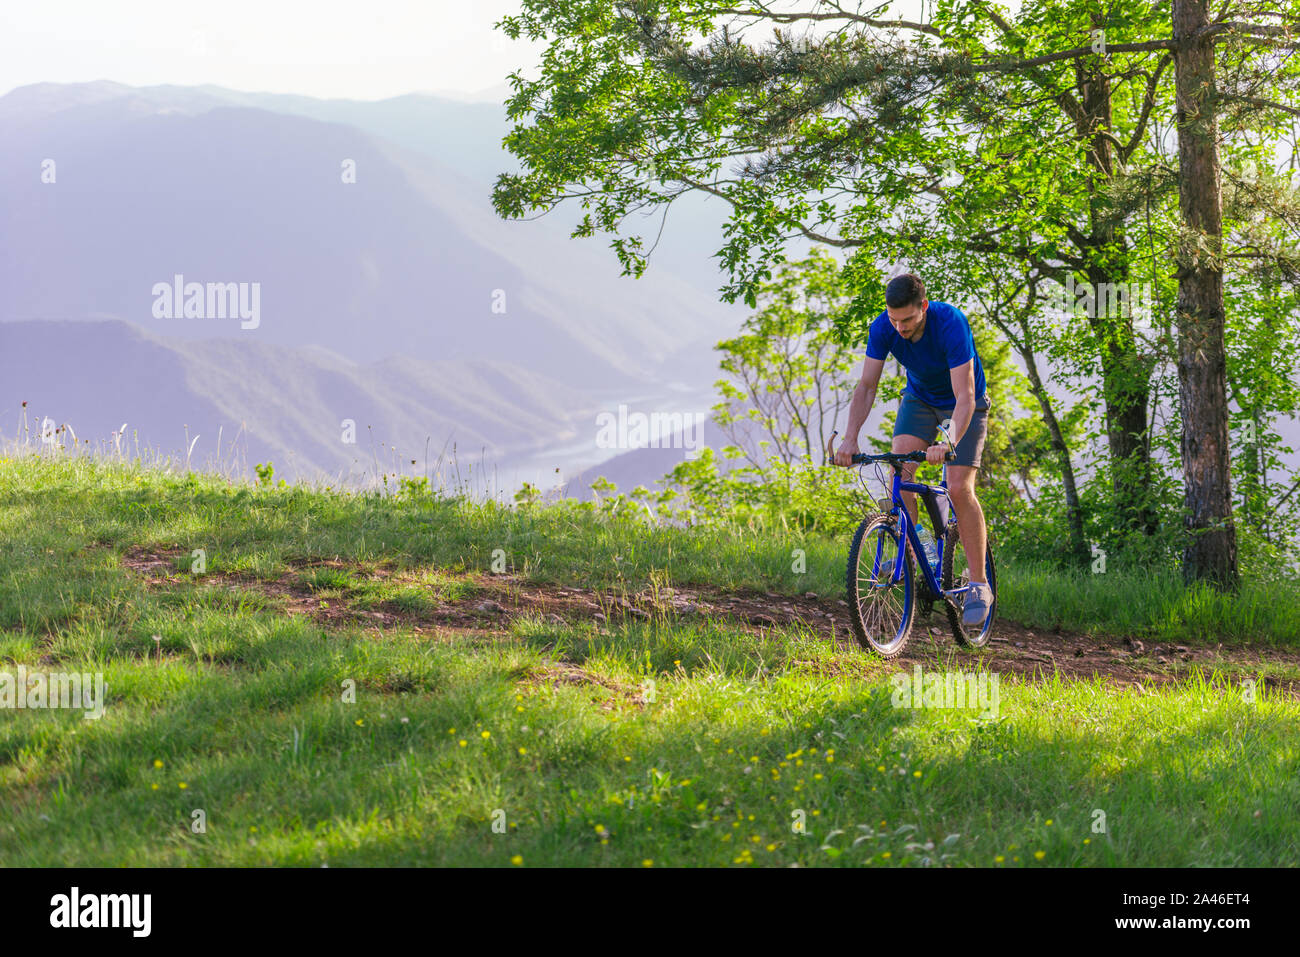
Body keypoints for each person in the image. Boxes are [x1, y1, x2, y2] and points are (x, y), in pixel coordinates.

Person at [833, 273, 993, 626]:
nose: (899, 327)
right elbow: (866, 386)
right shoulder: (884, 327)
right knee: (898, 473)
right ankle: (914, 548)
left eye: (906, 319)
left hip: (964, 405)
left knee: (958, 487)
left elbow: (965, 397)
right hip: (919, 400)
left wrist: (948, 440)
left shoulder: (950, 322)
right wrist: (849, 438)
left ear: (923, 306)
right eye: (894, 319)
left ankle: (980, 584)